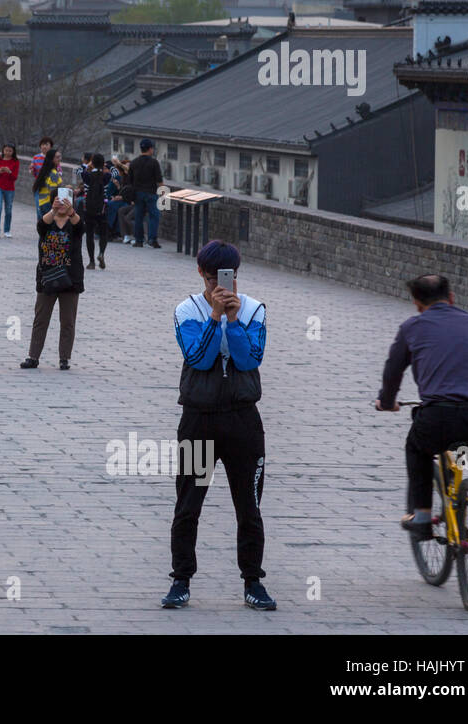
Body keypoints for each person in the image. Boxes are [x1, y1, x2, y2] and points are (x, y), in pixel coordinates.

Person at [162, 240, 272, 611]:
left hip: (243, 419)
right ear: (200, 274)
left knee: (249, 506)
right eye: (212, 279)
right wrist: (213, 317)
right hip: (199, 418)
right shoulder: (186, 310)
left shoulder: (254, 309)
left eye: (226, 278)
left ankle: (253, 580)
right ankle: (181, 578)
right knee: (188, 503)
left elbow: (248, 359)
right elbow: (198, 357)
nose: (218, 287)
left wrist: (235, 320)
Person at [375, 274, 468, 553]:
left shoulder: (412, 327)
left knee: (417, 448)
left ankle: (421, 515)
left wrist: (386, 402)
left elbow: (393, 370)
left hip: (439, 417)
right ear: (452, 297)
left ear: (418, 304)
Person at [20, 192, 84, 371]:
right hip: (47, 278)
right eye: (59, 200)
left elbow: (81, 227)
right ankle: (33, 356)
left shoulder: (74, 222)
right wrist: (53, 210)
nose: (62, 203)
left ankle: (64, 358)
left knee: (68, 321)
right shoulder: (47, 222)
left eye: (66, 200)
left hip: (70, 279)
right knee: (40, 319)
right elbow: (40, 226)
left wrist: (71, 213)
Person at [130, 138, 163, 248]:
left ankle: (138, 240)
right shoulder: (154, 163)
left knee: (139, 217)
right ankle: (152, 239)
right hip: (151, 193)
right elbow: (159, 181)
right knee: (154, 216)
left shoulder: (134, 163)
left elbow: (130, 181)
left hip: (138, 193)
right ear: (150, 149)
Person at [81, 153, 110, 270]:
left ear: (92, 163)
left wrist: (87, 165)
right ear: (103, 164)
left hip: (89, 208)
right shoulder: (106, 177)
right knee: (104, 233)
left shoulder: (86, 176)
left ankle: (91, 262)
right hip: (102, 208)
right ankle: (101, 253)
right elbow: (115, 172)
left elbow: (80, 169)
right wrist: (109, 166)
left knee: (89, 234)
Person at [0, 144, 19, 239]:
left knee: (8, 210)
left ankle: (7, 230)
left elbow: (15, 177)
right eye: (6, 150)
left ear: (13, 152)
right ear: (3, 150)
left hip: (10, 188)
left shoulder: (15, 161)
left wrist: (9, 172)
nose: (7, 153)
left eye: (10, 151)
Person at [33, 149, 64, 219]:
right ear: (51, 159)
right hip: (49, 205)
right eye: (57, 157)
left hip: (42, 203)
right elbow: (53, 192)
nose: (60, 159)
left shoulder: (45, 171)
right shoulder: (53, 173)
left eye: (60, 157)